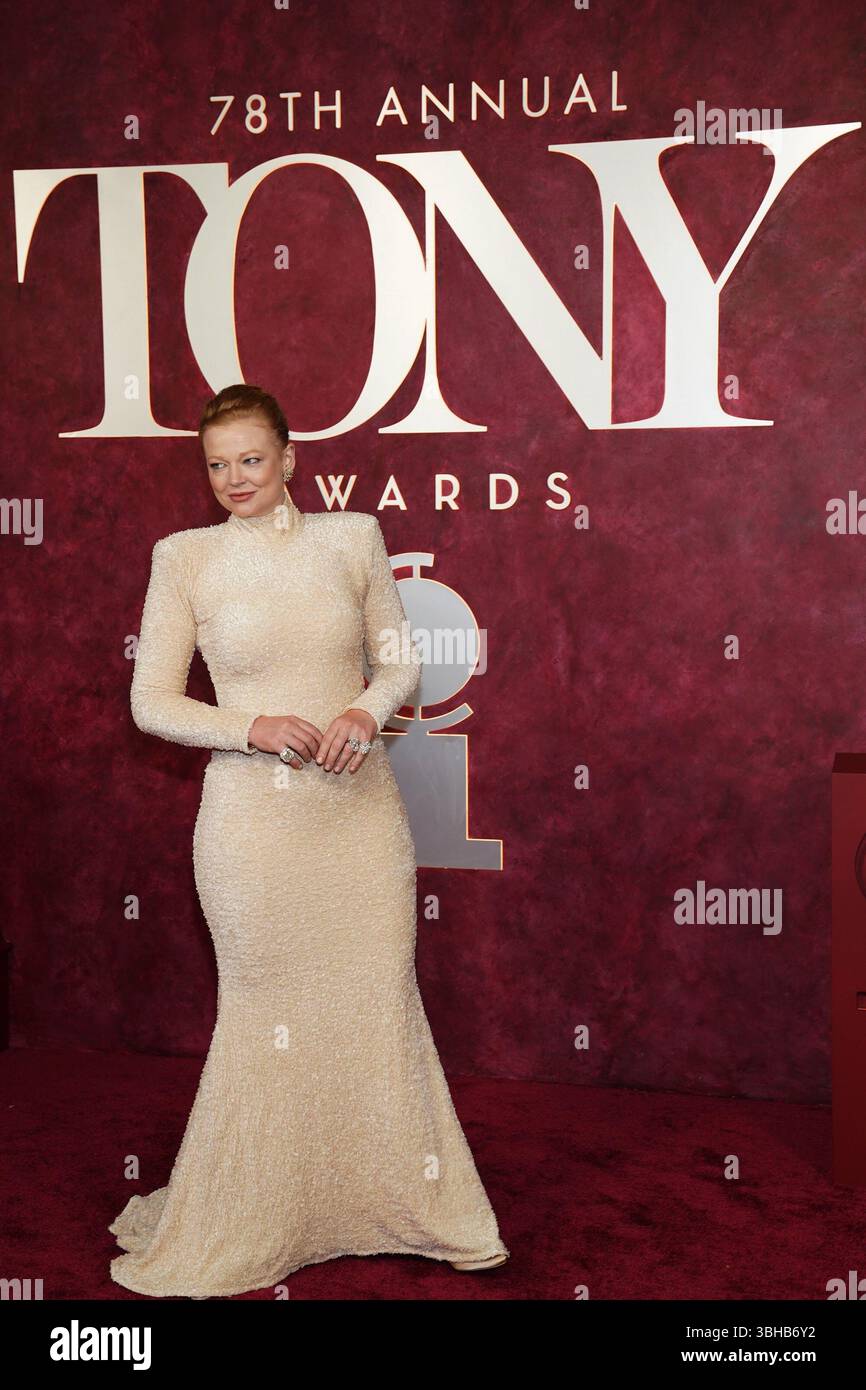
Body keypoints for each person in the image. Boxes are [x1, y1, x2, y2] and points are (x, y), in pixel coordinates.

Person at [108, 384, 509, 1296]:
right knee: (265, 1012)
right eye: (216, 464)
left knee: (377, 996)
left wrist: (364, 716)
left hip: (357, 818)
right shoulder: (186, 558)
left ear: (290, 458)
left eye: (251, 459)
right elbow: (152, 701)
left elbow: (399, 658)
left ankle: (404, 1204)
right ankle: (258, 1216)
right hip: (251, 828)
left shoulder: (350, 538)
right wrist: (250, 727)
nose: (234, 479)